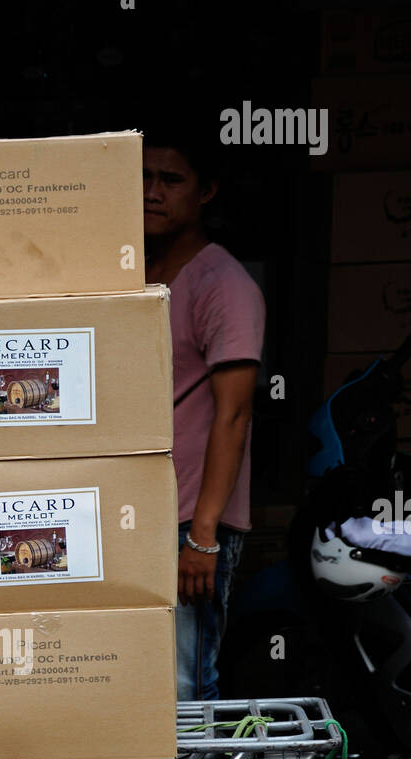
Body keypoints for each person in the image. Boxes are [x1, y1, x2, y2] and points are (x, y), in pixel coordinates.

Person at [143, 131, 266, 701]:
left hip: (191, 520)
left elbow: (235, 414)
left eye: (171, 181)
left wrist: (204, 537)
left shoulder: (224, 285)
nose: (152, 193)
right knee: (141, 678)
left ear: (207, 191)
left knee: (183, 683)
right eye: (143, 179)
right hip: (139, 511)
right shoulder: (135, 280)